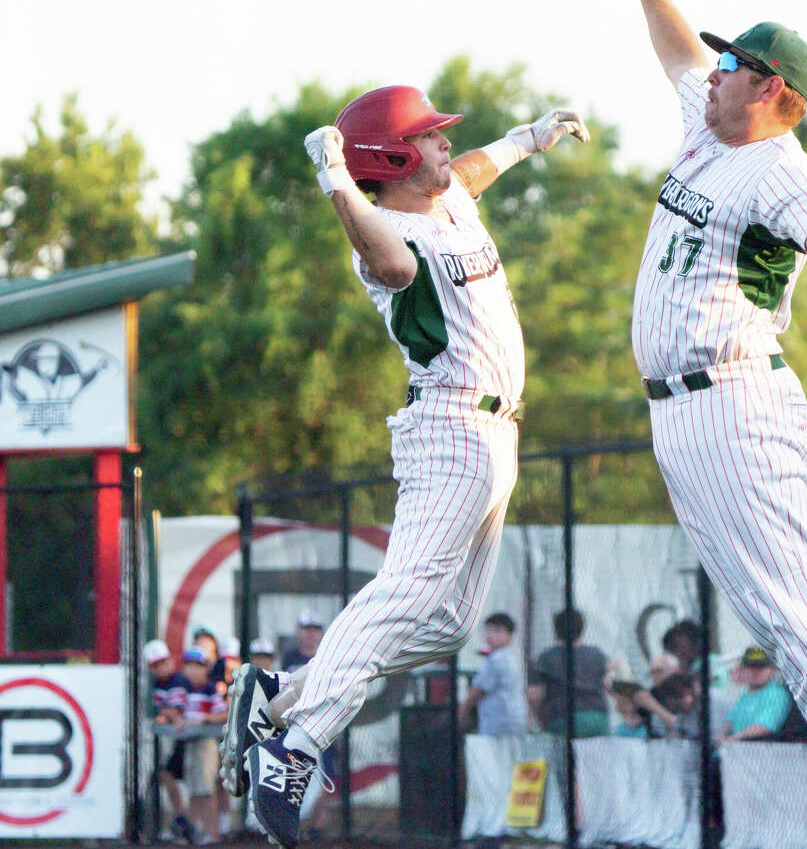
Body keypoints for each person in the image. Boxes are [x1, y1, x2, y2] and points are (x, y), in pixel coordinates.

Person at [585, 0, 807, 848]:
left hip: (735, 401)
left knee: (796, 602)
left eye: (736, 65)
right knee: (770, 608)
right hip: (679, 414)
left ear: (773, 90)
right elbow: (679, 48)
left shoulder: (779, 163)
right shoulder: (709, 119)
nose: (716, 70)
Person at [221, 88, 588, 848]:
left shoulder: (446, 198)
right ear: (388, 160)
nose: (444, 144)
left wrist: (528, 137)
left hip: (495, 433)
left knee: (448, 625)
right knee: (405, 592)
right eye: (426, 137)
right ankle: (295, 746)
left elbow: (473, 173)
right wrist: (334, 181)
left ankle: (278, 699)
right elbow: (386, 263)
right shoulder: (382, 228)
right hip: (450, 426)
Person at [527, 609, 611, 737]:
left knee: (565, 755)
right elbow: (608, 683)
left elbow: (534, 695)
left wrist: (541, 720)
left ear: (555, 629)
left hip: (562, 716)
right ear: (581, 629)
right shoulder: (597, 654)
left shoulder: (546, 657)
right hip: (597, 716)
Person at [144, 639, 193, 843]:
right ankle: (177, 821)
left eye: (163, 662)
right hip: (169, 740)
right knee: (163, 776)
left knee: (186, 780)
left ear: (170, 660)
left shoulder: (178, 680)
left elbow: (174, 711)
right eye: (155, 665)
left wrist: (162, 711)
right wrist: (165, 713)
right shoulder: (156, 683)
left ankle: (186, 821)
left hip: (186, 739)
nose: (161, 667)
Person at [180, 645, 229, 844]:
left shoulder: (209, 688)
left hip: (206, 743)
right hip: (190, 742)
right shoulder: (184, 689)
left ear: (206, 668)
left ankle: (212, 833)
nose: (194, 670)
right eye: (190, 665)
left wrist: (203, 718)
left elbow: (223, 714)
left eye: (198, 666)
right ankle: (195, 831)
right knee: (194, 789)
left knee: (206, 789)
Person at [458, 612, 527, 735]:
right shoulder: (511, 657)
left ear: (509, 635)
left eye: (497, 631)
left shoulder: (497, 659)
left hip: (498, 721)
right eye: (488, 630)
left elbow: (477, 690)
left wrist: (462, 712)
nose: (490, 635)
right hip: (515, 719)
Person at [718, 646, 794, 743]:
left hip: (762, 750)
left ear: (772, 669)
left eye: (761, 667)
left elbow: (764, 727)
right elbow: (730, 722)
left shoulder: (777, 694)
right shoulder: (745, 696)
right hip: (737, 749)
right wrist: (720, 738)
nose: (755, 672)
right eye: (750, 667)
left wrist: (732, 739)